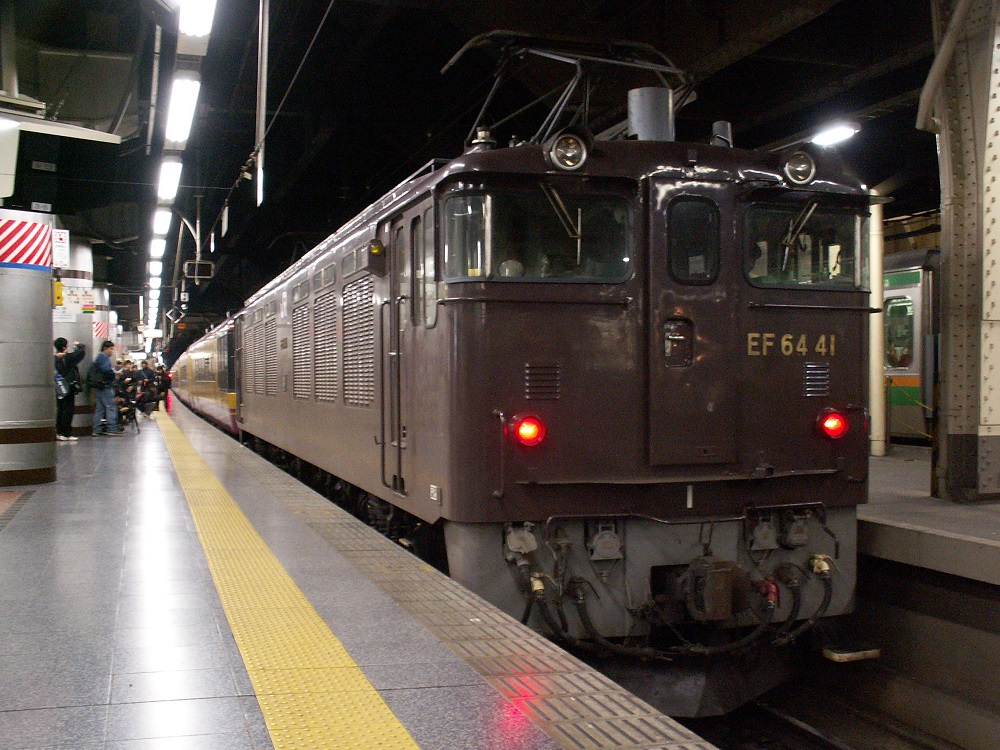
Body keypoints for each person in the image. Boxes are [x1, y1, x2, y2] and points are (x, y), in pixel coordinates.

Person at [53, 338, 85, 442]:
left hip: (58, 387)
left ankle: (59, 432)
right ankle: (66, 433)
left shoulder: (54, 358)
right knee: (68, 410)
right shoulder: (67, 358)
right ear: (64, 347)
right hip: (68, 386)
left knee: (60, 409)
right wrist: (78, 345)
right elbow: (81, 353)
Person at [91, 340, 123, 437]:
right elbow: (106, 370)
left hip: (98, 386)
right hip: (105, 386)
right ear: (105, 348)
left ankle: (96, 430)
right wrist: (114, 374)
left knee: (99, 409)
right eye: (111, 349)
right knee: (111, 407)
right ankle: (111, 428)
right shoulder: (104, 358)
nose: (111, 352)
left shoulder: (98, 358)